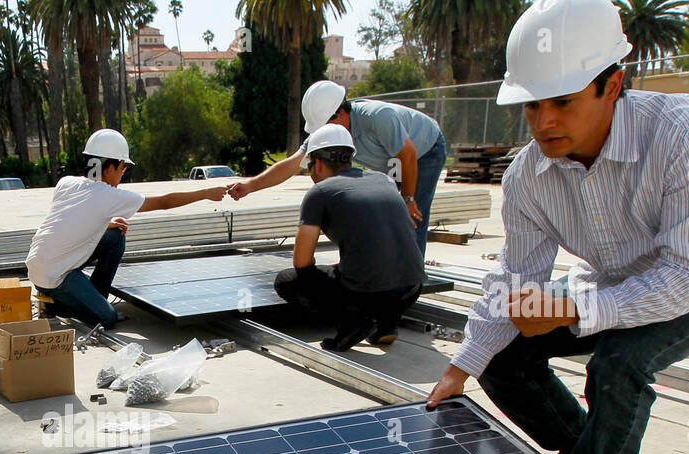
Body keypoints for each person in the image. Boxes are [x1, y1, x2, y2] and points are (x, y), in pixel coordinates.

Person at [425, 0, 689, 454]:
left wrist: (577, 308)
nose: (544, 122)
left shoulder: (688, 133)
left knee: (619, 363)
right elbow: (514, 280)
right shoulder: (528, 177)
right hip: (618, 276)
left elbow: (686, 274)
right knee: (502, 357)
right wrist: (461, 367)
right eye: (532, 105)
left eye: (563, 101)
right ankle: (594, 452)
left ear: (612, 86)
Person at [27, 129, 230, 328]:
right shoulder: (110, 196)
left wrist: (105, 224)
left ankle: (94, 297)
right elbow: (164, 202)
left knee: (115, 236)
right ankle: (56, 305)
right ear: (109, 168)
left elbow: (70, 219)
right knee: (107, 318)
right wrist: (205, 193)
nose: (122, 174)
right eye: (122, 168)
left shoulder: (66, 183)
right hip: (57, 276)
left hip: (37, 267)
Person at [229, 80, 446, 254]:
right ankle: (375, 269)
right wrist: (251, 185)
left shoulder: (378, 118)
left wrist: (408, 199)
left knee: (411, 216)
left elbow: (407, 155)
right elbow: (293, 164)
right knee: (383, 214)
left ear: (341, 113)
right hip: (391, 160)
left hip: (424, 152)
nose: (323, 133)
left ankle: (412, 279)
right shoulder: (329, 132)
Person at [273, 124, 426, 352]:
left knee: (289, 280)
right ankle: (386, 324)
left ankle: (353, 323)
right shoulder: (384, 180)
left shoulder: (320, 192)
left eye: (310, 167)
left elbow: (302, 262)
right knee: (360, 273)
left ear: (319, 163)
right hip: (411, 288)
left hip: (369, 292)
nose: (311, 174)